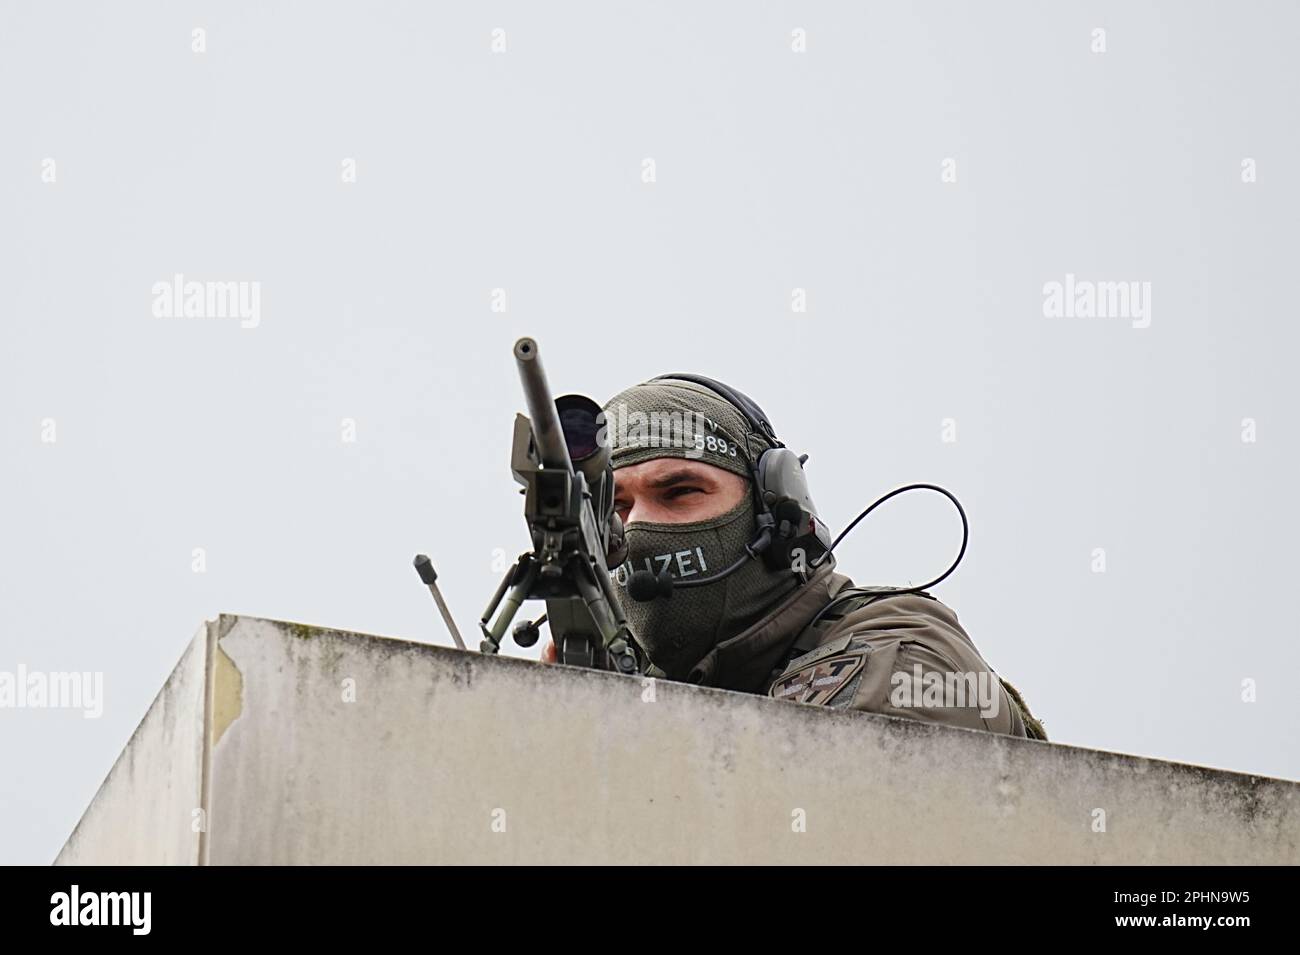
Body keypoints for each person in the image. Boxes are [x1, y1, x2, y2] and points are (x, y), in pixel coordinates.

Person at [543, 374, 1046, 740]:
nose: (638, 529)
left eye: (680, 492)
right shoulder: (671, 684)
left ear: (776, 510)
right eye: (617, 508)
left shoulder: (895, 657)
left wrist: (610, 744)